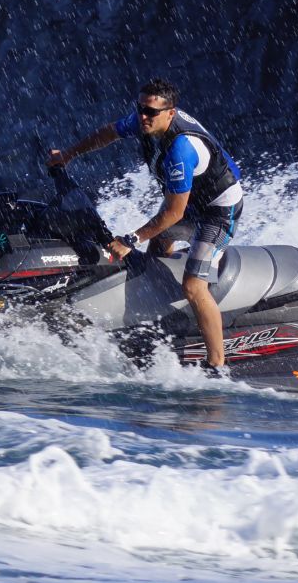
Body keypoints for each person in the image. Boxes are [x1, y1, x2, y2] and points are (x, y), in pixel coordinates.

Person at [48, 79, 244, 371]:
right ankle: (170, 322)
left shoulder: (182, 149)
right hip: (191, 202)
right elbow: (108, 133)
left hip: (218, 211)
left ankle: (216, 364)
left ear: (170, 113)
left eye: (150, 112)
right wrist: (68, 154)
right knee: (155, 257)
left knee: (193, 285)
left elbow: (174, 213)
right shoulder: (146, 121)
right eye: (140, 109)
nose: (143, 117)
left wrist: (129, 239)